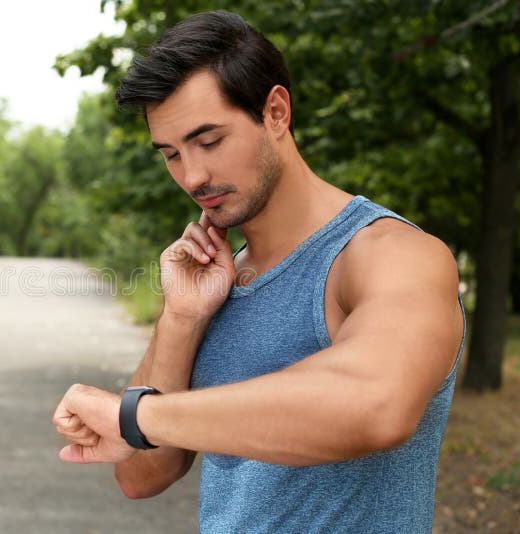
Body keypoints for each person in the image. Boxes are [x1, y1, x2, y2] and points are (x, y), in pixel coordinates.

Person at [52, 9, 465, 533]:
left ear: (275, 111)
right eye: (171, 154)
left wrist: (136, 416)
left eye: (209, 141)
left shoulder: (389, 254)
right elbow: (141, 475)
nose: (193, 175)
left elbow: (375, 403)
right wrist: (181, 319)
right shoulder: (214, 281)